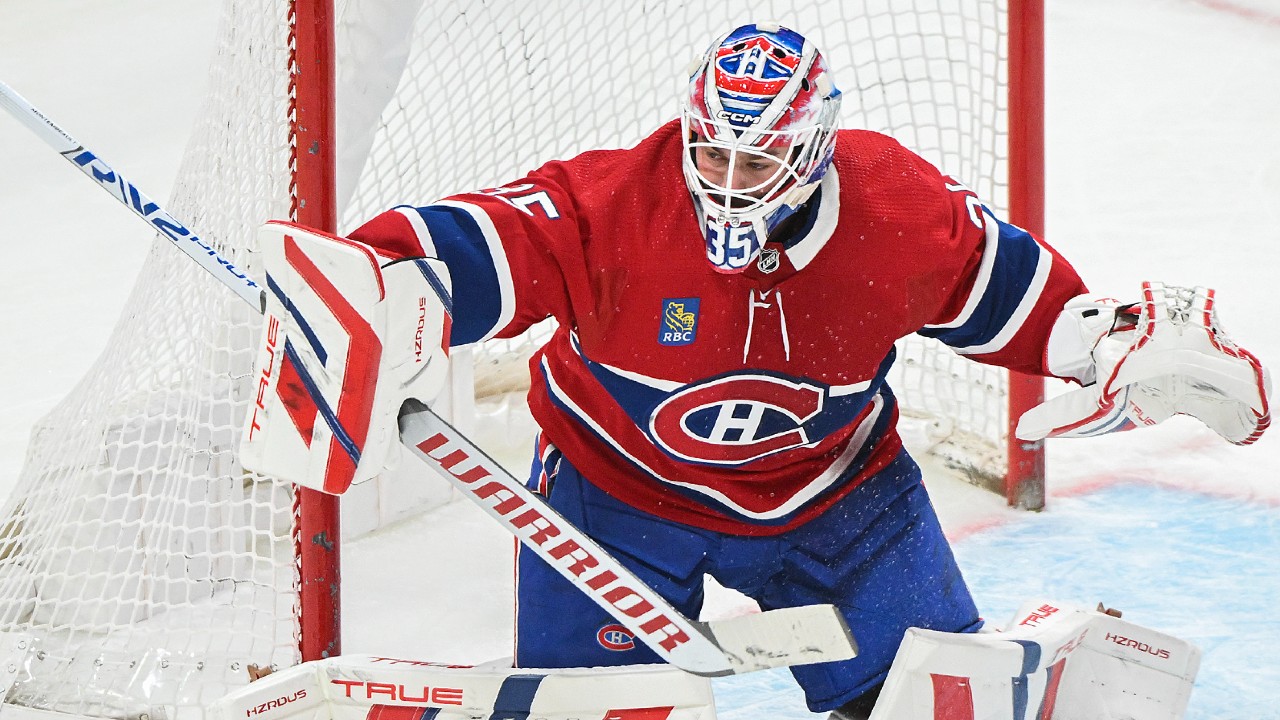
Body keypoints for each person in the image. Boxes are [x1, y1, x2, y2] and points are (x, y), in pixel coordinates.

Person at [248, 22, 1270, 718]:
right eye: (714, 154)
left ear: (812, 149)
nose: (729, 183)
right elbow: (485, 240)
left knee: (932, 704)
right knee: (589, 714)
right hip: (614, 506)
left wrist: (1105, 343)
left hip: (840, 501)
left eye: (758, 161)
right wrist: (378, 279)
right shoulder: (616, 206)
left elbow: (1004, 293)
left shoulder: (893, 210)